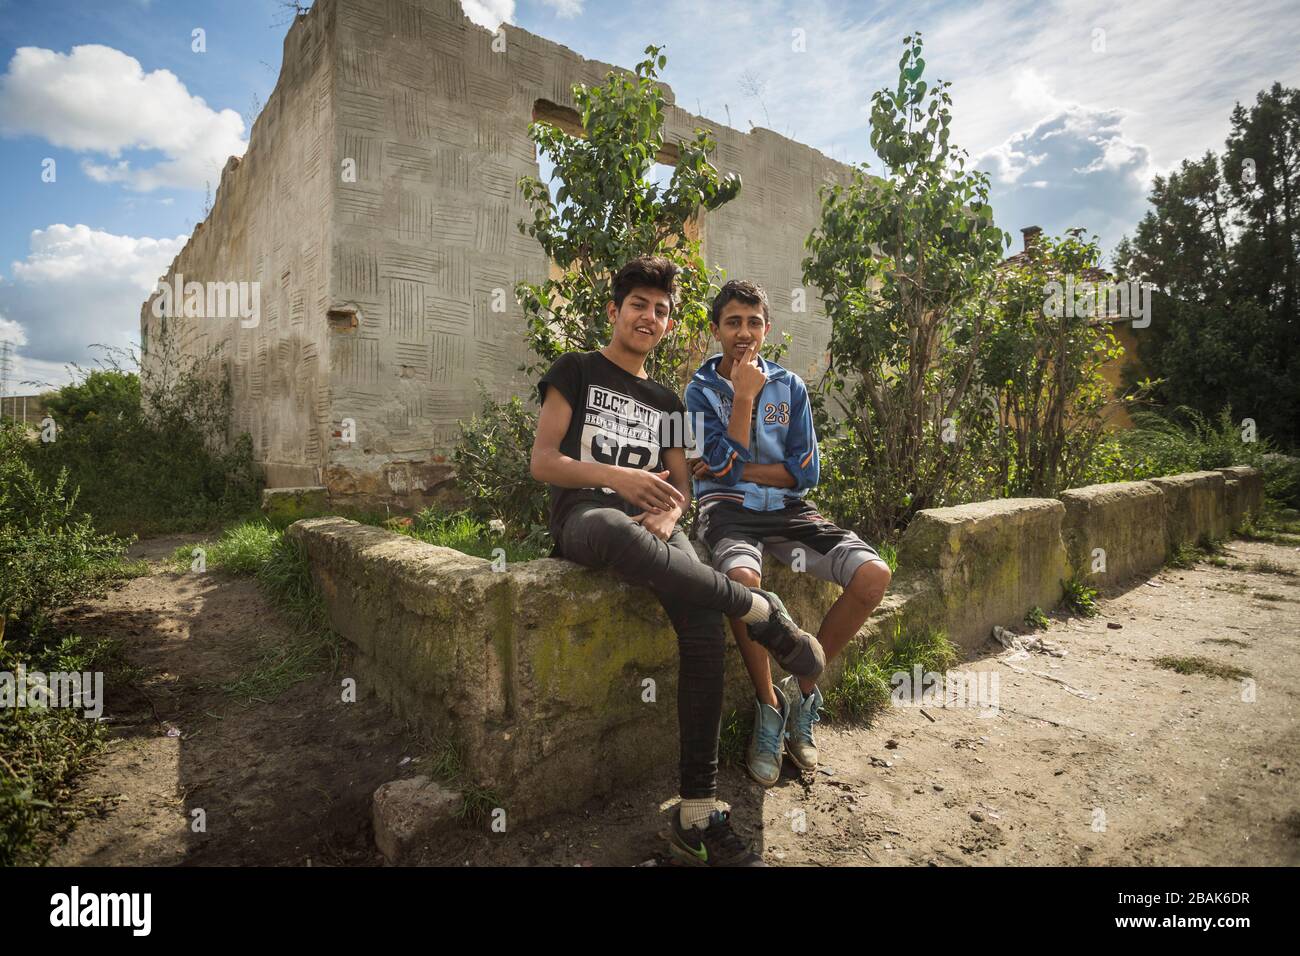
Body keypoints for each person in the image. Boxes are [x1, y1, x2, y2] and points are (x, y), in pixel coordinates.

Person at [529, 257, 826, 866]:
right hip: (589, 516)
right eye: (639, 304)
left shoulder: (668, 399)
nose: (650, 316)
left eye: (661, 310)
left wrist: (672, 513)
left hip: (656, 525)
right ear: (614, 312)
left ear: (667, 325)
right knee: (614, 525)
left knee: (701, 625)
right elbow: (543, 461)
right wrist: (621, 480)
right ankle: (755, 605)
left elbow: (684, 485)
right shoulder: (576, 370)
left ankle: (696, 812)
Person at [686, 279, 893, 787]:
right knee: (740, 582)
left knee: (873, 575)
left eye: (753, 322)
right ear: (716, 330)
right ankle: (769, 705)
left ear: (766, 329)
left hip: (789, 512)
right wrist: (742, 399)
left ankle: (803, 690)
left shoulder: (791, 387)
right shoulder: (698, 391)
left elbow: (804, 473)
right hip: (728, 514)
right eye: (732, 321)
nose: (744, 332)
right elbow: (709, 474)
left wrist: (731, 469)